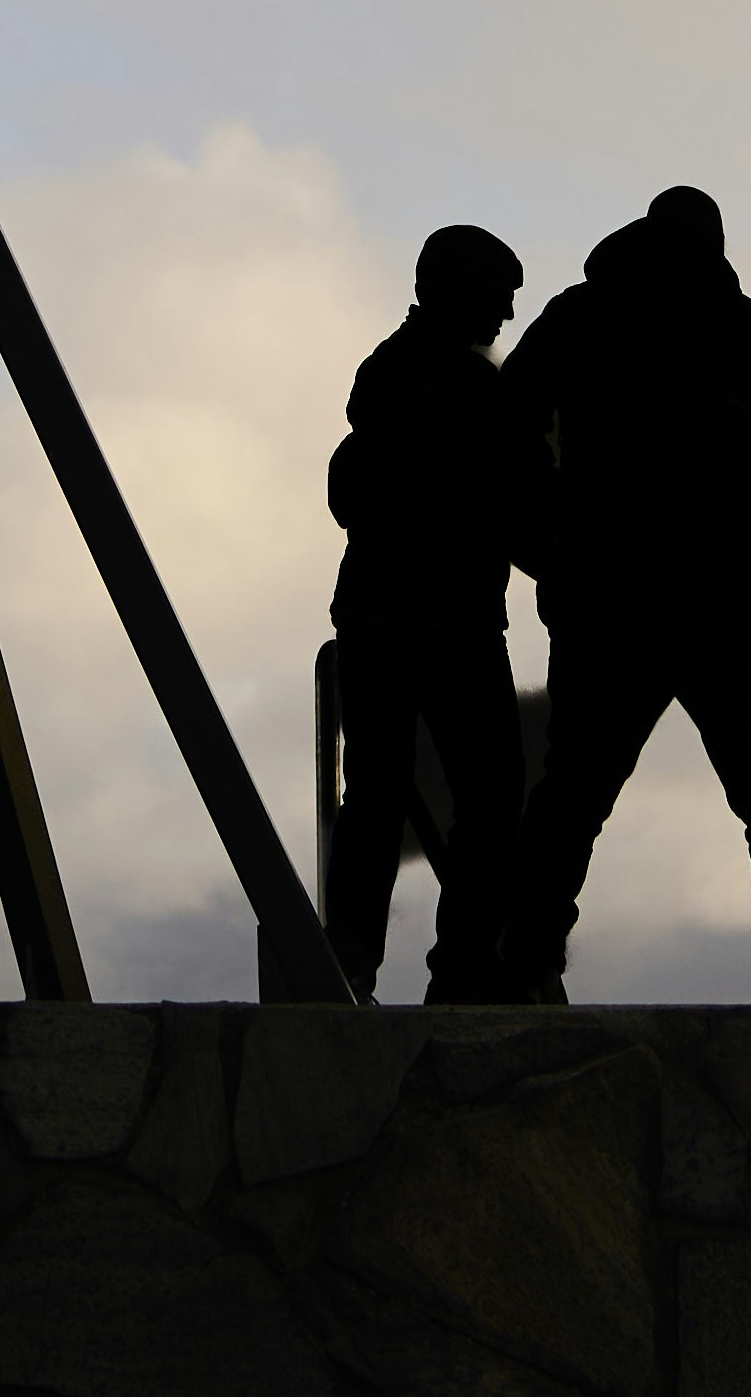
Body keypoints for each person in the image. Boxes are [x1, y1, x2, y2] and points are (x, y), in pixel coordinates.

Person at [495, 186, 751, 1006]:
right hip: (709, 598)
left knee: (574, 791)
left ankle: (520, 972)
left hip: (628, 598)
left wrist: (549, 545)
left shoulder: (585, 319)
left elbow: (505, 436)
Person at [320, 221, 538, 1002]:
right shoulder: (470, 394)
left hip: (387, 622)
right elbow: (518, 509)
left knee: (379, 796)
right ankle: (460, 972)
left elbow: (349, 496)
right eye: (500, 298)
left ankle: (352, 968)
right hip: (452, 628)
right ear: (461, 292)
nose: (507, 316)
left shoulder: (388, 381)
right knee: (485, 794)